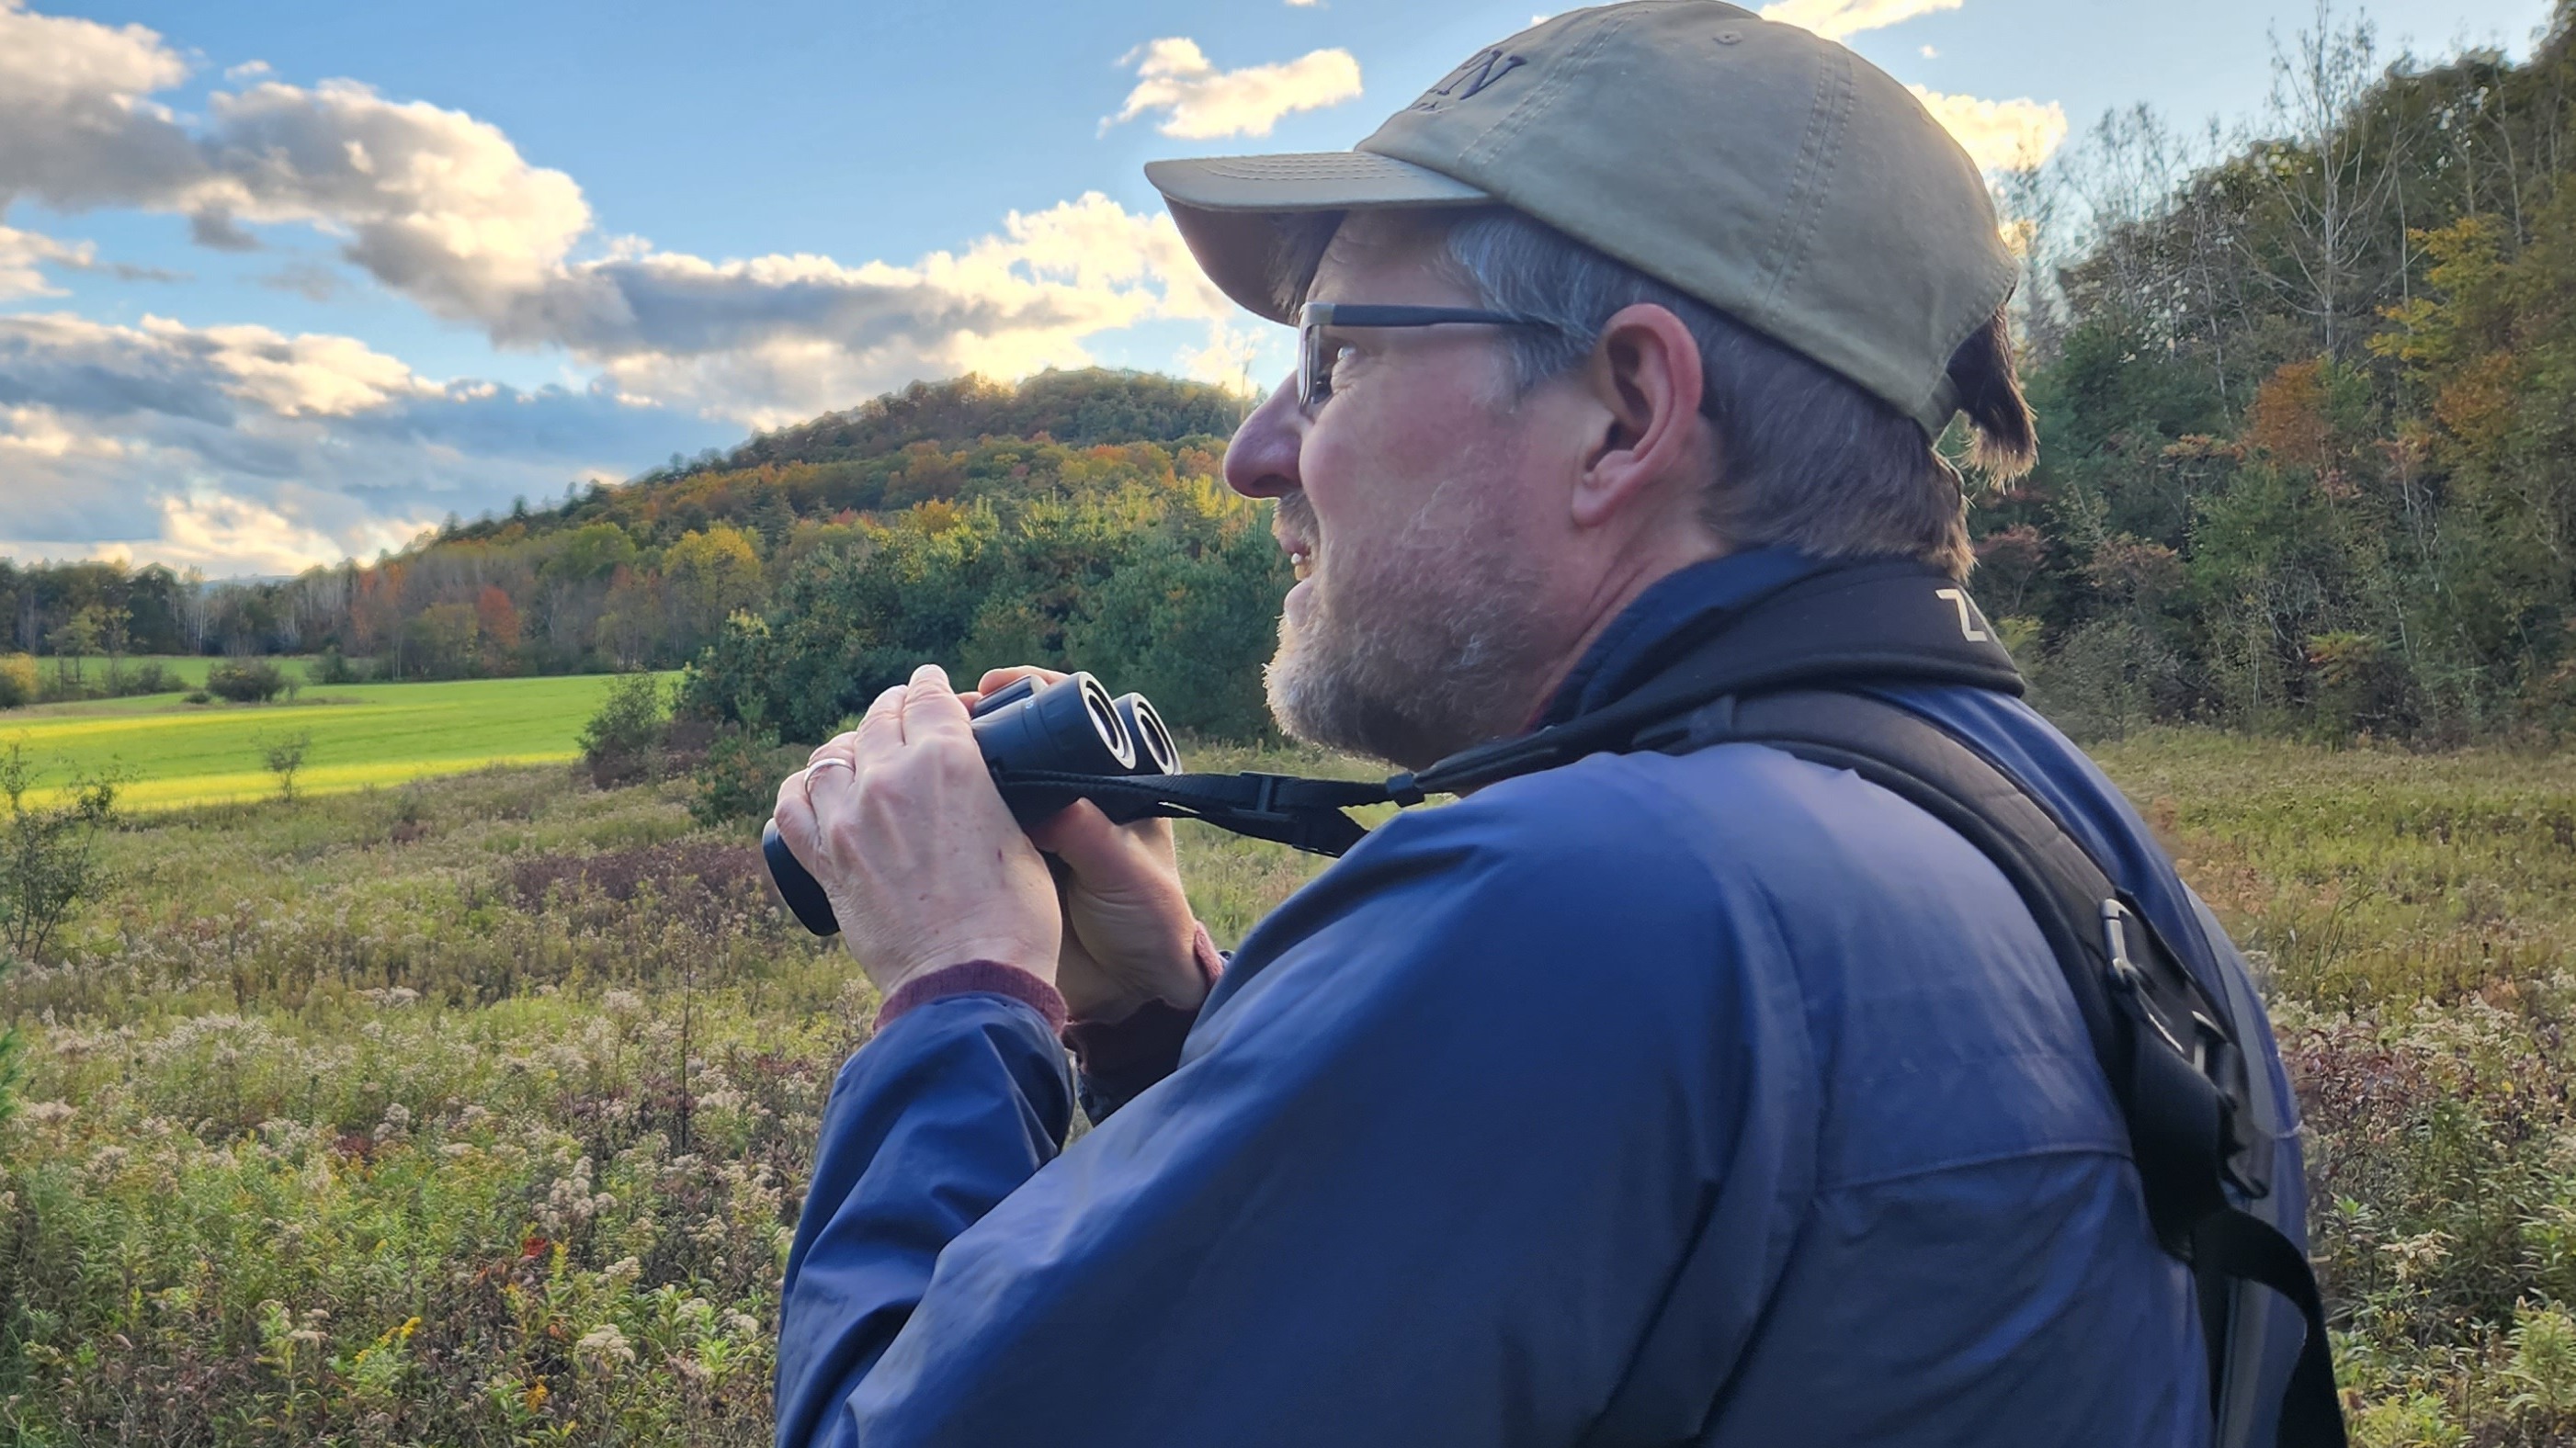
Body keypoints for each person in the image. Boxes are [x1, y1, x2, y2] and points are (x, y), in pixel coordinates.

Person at [768, 4, 2312, 1444]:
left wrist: (961, 994)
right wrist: (1165, 1020)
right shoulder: (2061, 847)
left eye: (1334, 356)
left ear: (1627, 411)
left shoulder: (1595, 907)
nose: (1256, 454)